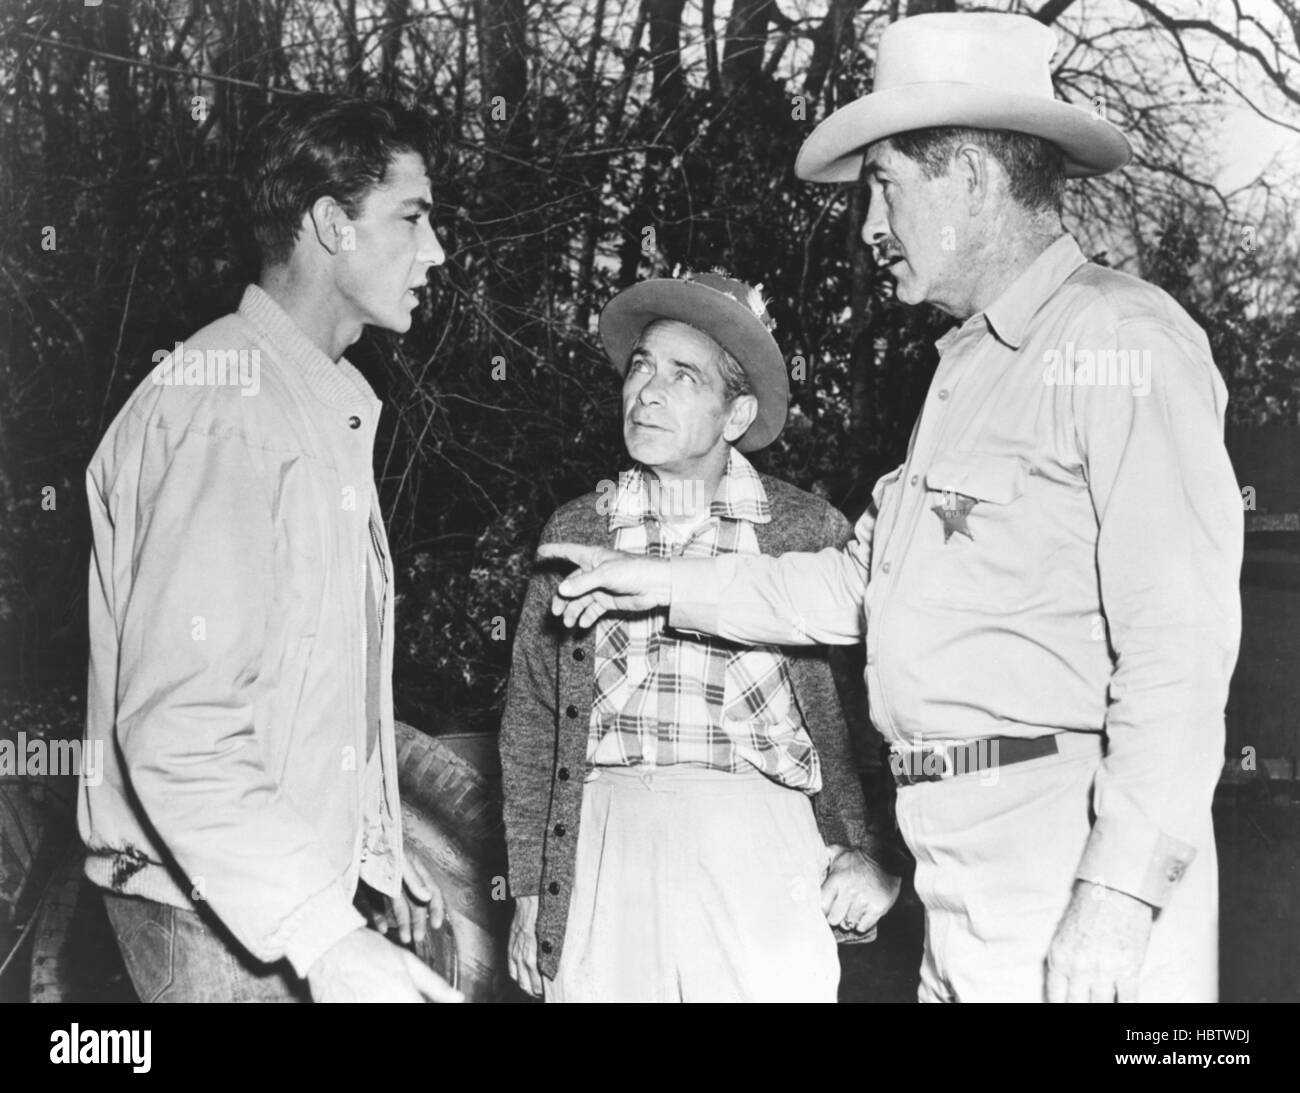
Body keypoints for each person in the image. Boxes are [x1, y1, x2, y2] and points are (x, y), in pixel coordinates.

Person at [539, 13, 1243, 1003]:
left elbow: (1179, 640)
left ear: (971, 177)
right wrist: (655, 580)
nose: (869, 225)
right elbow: (854, 585)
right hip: (960, 865)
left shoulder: (1118, 344)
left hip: (1064, 857)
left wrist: (1119, 893)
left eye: (885, 186)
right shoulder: (968, 372)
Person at [82, 94, 462, 1002]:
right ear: (331, 223)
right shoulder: (232, 413)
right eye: (413, 217)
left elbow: (309, 677)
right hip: (205, 907)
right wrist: (326, 938)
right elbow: (180, 727)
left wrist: (370, 841)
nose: (437, 250)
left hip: (252, 891)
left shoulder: (310, 404)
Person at [499, 271, 902, 1002]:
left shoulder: (807, 534)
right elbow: (530, 718)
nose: (647, 391)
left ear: (736, 412)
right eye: (641, 367)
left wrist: (876, 855)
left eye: (683, 376)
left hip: (762, 848)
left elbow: (881, 711)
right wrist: (530, 887)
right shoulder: (578, 530)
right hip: (603, 842)